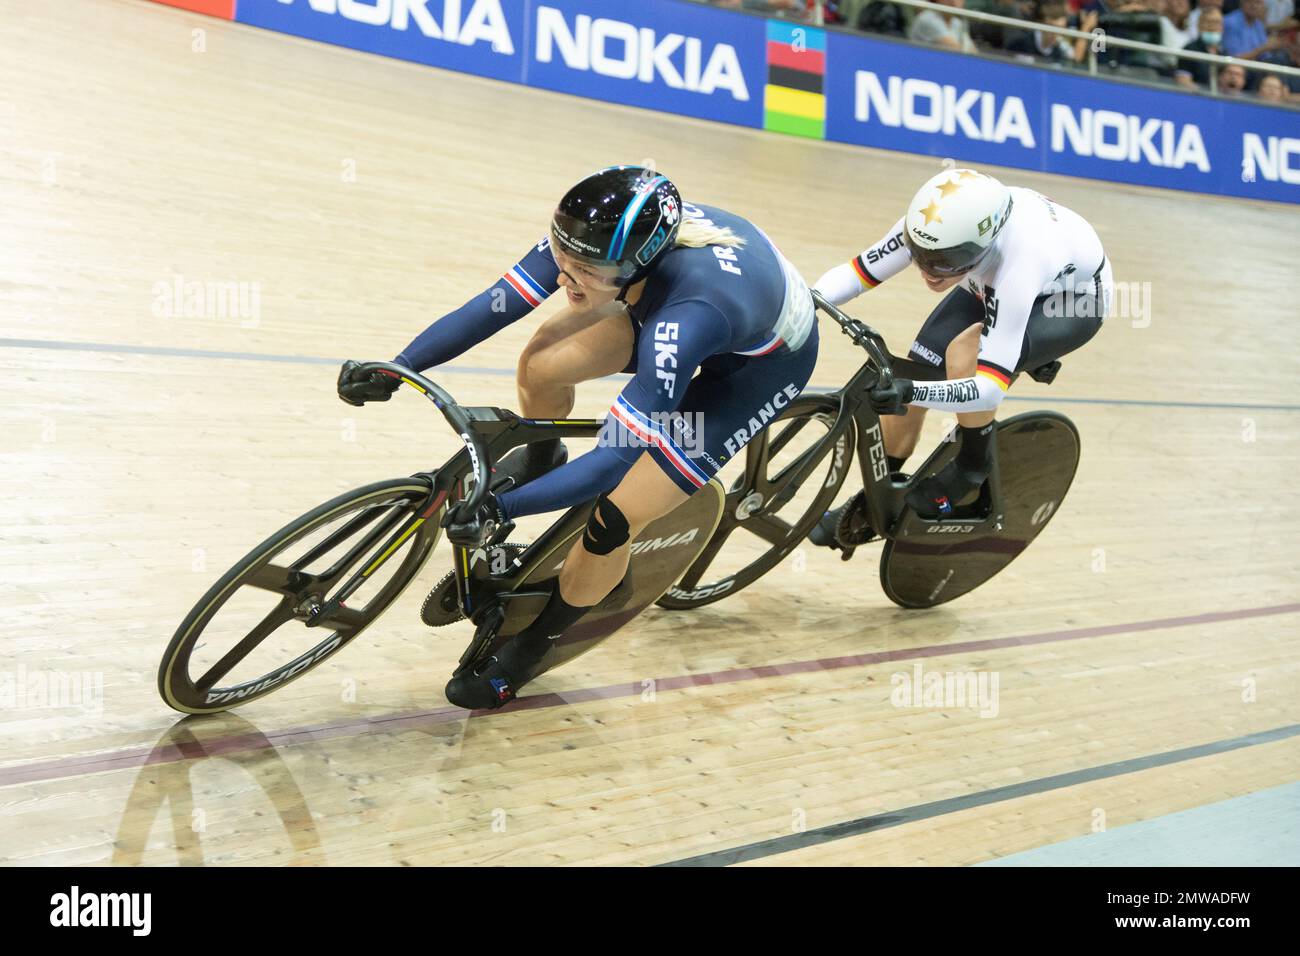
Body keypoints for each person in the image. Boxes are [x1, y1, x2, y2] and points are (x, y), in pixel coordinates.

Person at [338, 166, 818, 709]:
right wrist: (397, 366)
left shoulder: (685, 323)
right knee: (542, 366)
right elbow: (497, 303)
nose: (565, 277)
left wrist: (500, 506)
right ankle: (546, 459)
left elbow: (613, 460)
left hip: (752, 370)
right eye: (561, 258)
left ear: (635, 263)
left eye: (583, 271)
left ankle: (534, 647)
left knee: (615, 515)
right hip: (678, 298)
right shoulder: (590, 240)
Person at [808, 168, 1112, 547]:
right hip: (987, 280)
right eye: (922, 257)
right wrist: (807, 302)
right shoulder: (932, 226)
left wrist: (912, 392)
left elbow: (986, 390)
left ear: (984, 243)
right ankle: (876, 500)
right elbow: (858, 274)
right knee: (916, 365)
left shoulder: (1020, 264)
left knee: (962, 354)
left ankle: (972, 466)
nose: (930, 273)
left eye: (946, 262)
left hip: (1070, 301)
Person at [1175, 6, 1228, 86]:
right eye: (1208, 22)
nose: (1212, 27)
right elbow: (1183, 81)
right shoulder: (1189, 50)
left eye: (1216, 23)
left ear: (1222, 28)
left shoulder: (1224, 53)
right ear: (1199, 25)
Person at [909, 0, 979, 51]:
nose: (954, 1)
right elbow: (955, 50)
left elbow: (973, 52)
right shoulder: (927, 18)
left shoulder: (957, 23)